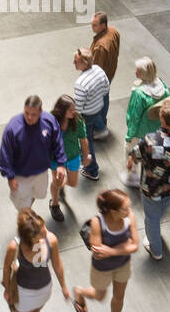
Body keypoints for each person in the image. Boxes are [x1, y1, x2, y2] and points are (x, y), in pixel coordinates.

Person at [72, 188, 138, 312]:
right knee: (99, 296)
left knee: (119, 297)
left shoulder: (130, 217)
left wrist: (112, 250)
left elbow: (135, 245)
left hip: (123, 265)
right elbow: (99, 253)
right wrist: (124, 246)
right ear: (113, 211)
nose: (129, 211)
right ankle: (79, 292)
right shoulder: (97, 222)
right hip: (102, 269)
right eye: (125, 208)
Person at [1, 208, 69, 312]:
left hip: (44, 287)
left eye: (43, 228)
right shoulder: (15, 246)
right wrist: (7, 289)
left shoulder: (51, 239)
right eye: (40, 234)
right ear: (27, 238)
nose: (45, 234)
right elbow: (6, 268)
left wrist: (63, 286)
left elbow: (57, 263)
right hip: (23, 291)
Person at [132, 99, 170, 261]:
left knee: (151, 220)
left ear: (162, 119)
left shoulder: (150, 140)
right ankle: (157, 223)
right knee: (159, 211)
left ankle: (156, 250)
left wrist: (130, 161)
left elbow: (135, 154)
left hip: (151, 188)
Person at [0, 94, 66, 219]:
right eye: (26, 113)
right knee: (23, 206)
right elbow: (5, 153)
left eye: (33, 114)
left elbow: (58, 142)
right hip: (22, 175)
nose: (29, 117)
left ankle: (27, 211)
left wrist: (61, 164)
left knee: (37, 194)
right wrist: (10, 176)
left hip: (41, 171)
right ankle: (26, 225)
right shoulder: (13, 127)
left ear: (40, 112)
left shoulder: (49, 121)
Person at [121, 57, 170, 188]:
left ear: (143, 73)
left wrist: (129, 136)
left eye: (138, 70)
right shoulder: (162, 86)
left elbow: (134, 117)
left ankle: (132, 176)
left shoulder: (139, 93)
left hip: (140, 132)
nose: (135, 72)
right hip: (156, 129)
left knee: (131, 152)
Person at [48, 95, 91, 212]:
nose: (74, 112)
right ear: (61, 111)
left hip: (72, 156)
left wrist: (87, 155)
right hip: (55, 159)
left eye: (74, 109)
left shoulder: (78, 120)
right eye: (71, 110)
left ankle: (60, 186)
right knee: (56, 182)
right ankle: (55, 204)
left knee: (72, 183)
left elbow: (83, 139)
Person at [73, 48, 109, 179]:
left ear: (85, 62)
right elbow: (106, 90)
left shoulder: (80, 84)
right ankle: (100, 127)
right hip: (98, 108)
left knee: (86, 142)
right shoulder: (99, 70)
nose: (73, 63)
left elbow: (78, 108)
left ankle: (92, 170)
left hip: (86, 115)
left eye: (76, 61)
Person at [89, 11, 120, 135]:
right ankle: (103, 121)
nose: (92, 27)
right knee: (105, 97)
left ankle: (100, 128)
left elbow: (96, 68)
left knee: (93, 103)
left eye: (95, 25)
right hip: (110, 71)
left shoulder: (100, 47)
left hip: (101, 78)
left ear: (103, 25)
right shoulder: (114, 31)